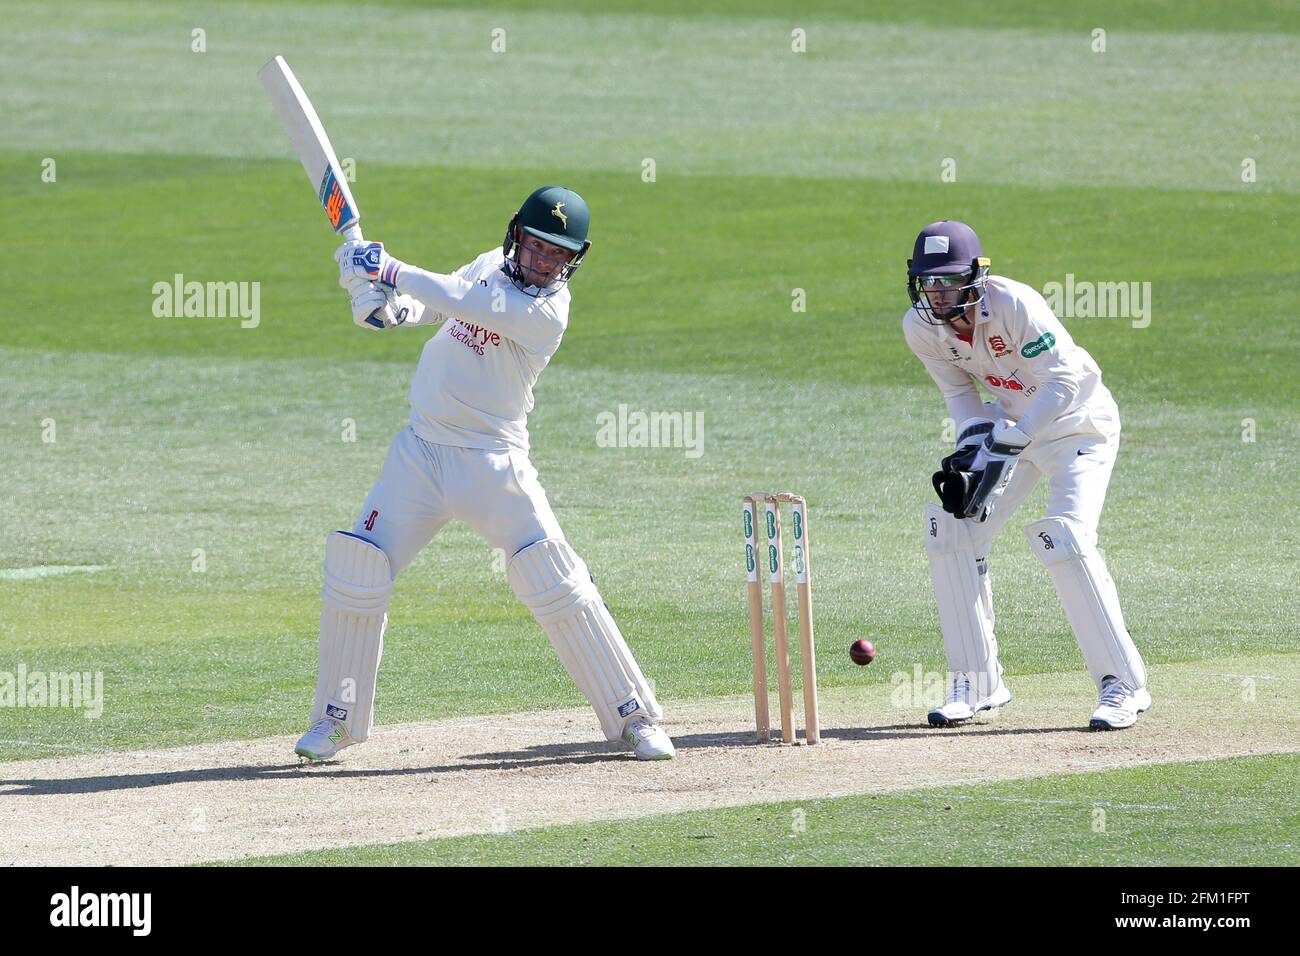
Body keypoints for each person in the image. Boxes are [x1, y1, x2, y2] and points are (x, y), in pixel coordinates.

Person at [293, 186, 674, 761]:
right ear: (516, 236)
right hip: (419, 454)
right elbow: (440, 303)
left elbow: (467, 304)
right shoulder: (489, 266)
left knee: (554, 576)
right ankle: (337, 720)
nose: (547, 262)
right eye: (539, 247)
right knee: (358, 566)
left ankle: (634, 718)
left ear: (574, 260)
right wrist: (386, 307)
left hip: (491, 463)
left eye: (559, 255)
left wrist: (388, 268)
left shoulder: (548, 312)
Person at [902, 219, 1150, 731]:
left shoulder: (1014, 305)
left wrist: (1012, 439)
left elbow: (1066, 380)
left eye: (947, 282)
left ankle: (1122, 685)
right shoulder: (920, 327)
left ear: (975, 276)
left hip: (1079, 425)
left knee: (1064, 535)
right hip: (1012, 424)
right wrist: (973, 444)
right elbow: (959, 395)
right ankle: (977, 681)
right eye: (929, 283)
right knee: (954, 530)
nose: (938, 294)